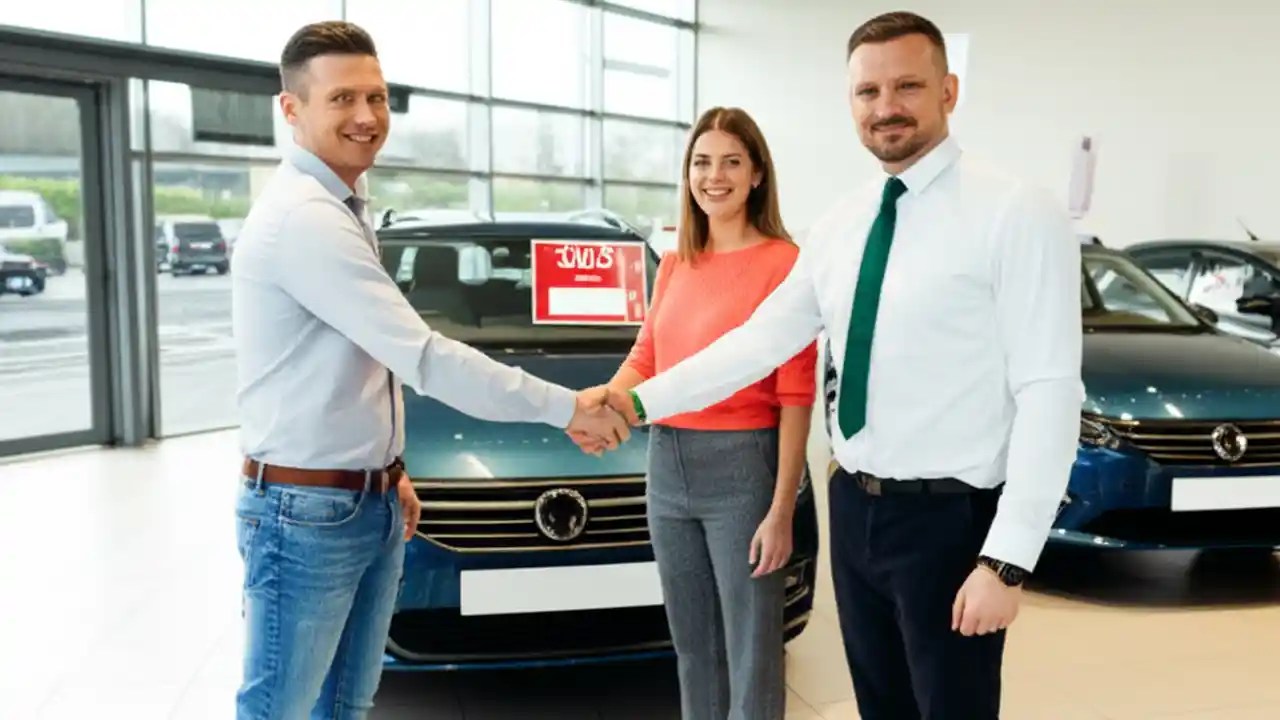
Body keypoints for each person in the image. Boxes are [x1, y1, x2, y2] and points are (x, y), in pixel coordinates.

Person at [593, 11, 1083, 720]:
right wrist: (636, 404)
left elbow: (1050, 390)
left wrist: (1008, 558)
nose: (885, 108)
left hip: (951, 519)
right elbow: (756, 343)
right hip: (855, 508)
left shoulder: (1015, 210)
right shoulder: (842, 224)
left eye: (906, 86)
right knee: (880, 706)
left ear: (949, 90)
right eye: (867, 92)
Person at [230, 21, 629, 719]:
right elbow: (421, 356)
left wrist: (390, 466)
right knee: (282, 710)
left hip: (364, 499)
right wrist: (569, 409)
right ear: (291, 110)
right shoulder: (305, 220)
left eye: (378, 97)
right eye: (343, 98)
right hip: (309, 516)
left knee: (345, 705)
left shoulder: (344, 209)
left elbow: (360, 368)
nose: (366, 117)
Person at [588, 106, 816, 720]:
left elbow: (797, 397)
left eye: (731, 162)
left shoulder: (785, 264)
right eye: (702, 162)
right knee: (693, 645)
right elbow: (648, 355)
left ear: (757, 174)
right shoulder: (677, 261)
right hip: (667, 465)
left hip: (743, 468)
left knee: (751, 648)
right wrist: (605, 402)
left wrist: (780, 508)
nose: (714, 176)